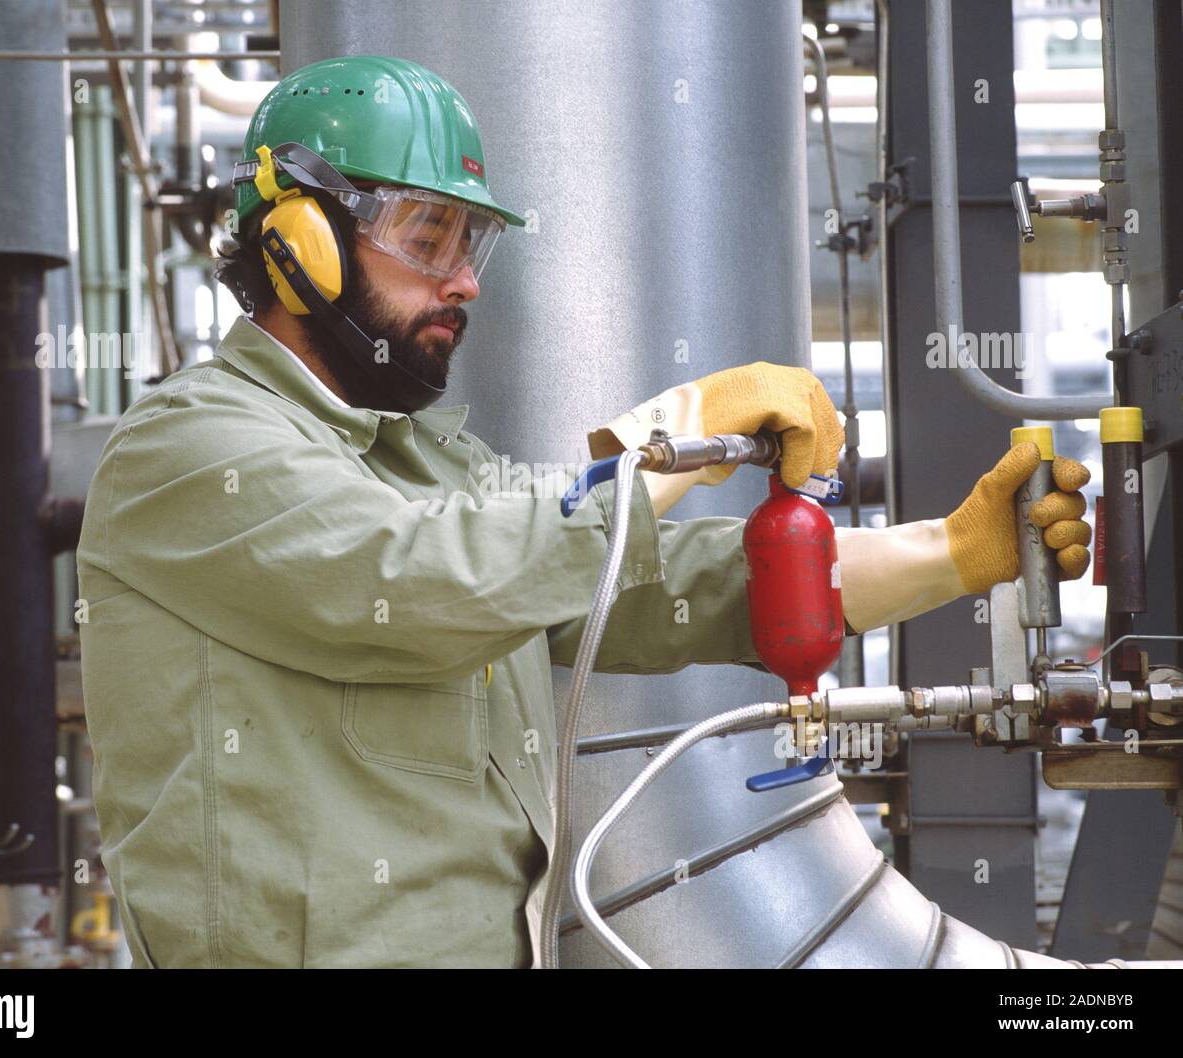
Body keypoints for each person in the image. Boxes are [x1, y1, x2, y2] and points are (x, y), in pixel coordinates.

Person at [76, 55, 1091, 968]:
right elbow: (422, 574)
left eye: (471, 241)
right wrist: (672, 436)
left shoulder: (431, 464)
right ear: (301, 244)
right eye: (430, 236)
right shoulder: (188, 451)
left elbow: (655, 587)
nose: (466, 280)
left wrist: (951, 553)